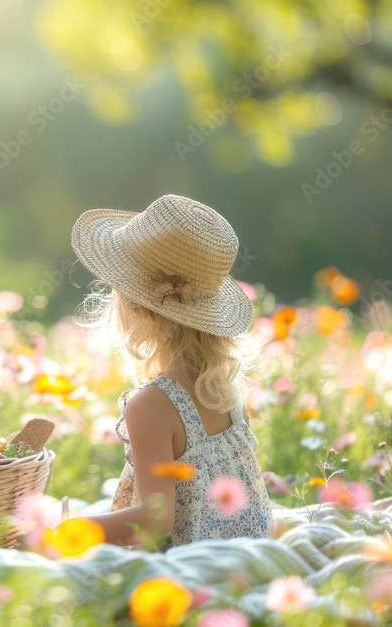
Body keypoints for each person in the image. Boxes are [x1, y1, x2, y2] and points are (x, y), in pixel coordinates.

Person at [70, 194, 272, 550]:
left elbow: (156, 519)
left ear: (134, 306)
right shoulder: (227, 388)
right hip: (248, 552)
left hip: (191, 562)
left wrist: (67, 529)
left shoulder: (152, 406)